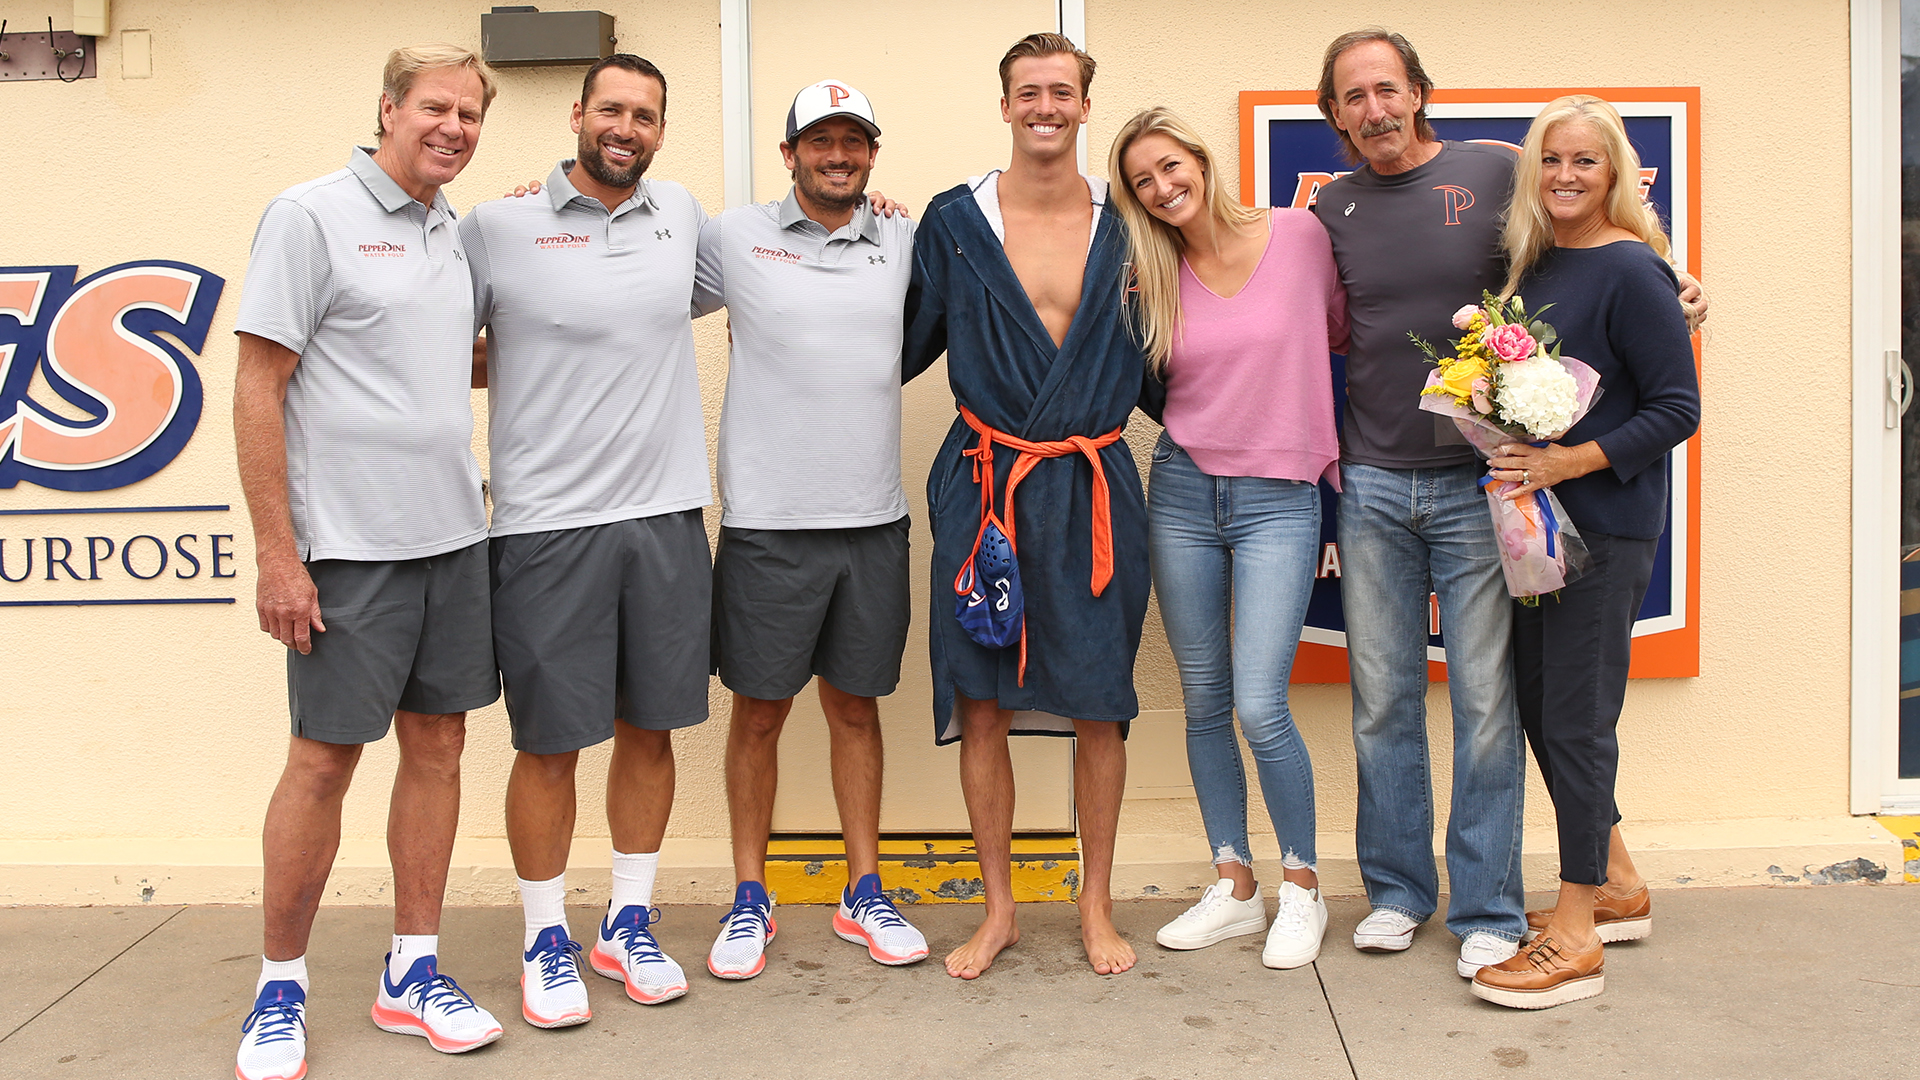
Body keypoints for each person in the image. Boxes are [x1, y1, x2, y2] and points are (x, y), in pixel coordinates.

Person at [233, 43, 505, 1080]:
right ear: (387, 109)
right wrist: (277, 553)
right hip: (347, 552)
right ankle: (279, 987)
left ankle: (413, 970)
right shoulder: (308, 216)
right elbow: (258, 386)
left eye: (470, 114)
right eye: (435, 107)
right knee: (322, 763)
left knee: (438, 751)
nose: (453, 127)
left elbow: (441, 365)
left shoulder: (450, 231)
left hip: (451, 539)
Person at [460, 54, 710, 1027]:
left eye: (646, 114)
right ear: (578, 113)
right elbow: (438, 343)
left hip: (664, 516)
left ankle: (629, 923)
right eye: (612, 108)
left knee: (651, 729)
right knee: (553, 741)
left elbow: (790, 260)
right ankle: (543, 937)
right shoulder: (498, 225)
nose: (627, 127)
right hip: (545, 525)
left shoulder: (680, 216)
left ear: (659, 128)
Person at [904, 32, 1151, 980]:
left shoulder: (1130, 223)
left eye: (1062, 91)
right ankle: (1000, 907)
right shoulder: (953, 221)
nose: (1045, 106)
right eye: (1027, 92)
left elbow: (1181, 351)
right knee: (982, 704)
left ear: (1086, 106)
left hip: (1092, 487)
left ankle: (1095, 904)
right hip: (985, 485)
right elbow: (897, 339)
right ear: (1004, 105)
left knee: (1100, 707)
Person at [1309, 27, 1533, 980]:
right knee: (1383, 699)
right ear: (1335, 115)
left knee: (1486, 700)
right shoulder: (1331, 208)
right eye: (1353, 97)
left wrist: (1670, 274)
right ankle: (1399, 892)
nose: (1374, 110)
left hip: (1478, 482)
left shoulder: (1497, 170)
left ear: (1419, 92)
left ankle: (1489, 906)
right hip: (1370, 484)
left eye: (1386, 89)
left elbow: (1600, 226)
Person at [693, 79, 928, 979]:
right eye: (819, 141)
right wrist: (539, 198)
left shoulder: (901, 237)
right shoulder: (732, 238)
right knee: (758, 713)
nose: (839, 156)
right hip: (768, 524)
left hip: (872, 519)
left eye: (854, 141)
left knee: (855, 708)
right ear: (788, 153)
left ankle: (861, 891)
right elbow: (630, 285)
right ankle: (750, 895)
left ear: (872, 152)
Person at [1468, 95, 1699, 1009]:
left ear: (1617, 175)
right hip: (1542, 528)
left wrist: (1569, 460)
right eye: (1551, 161)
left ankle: (1572, 932)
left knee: (1575, 715)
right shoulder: (1538, 262)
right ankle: (1615, 881)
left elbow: (1678, 409)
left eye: (1586, 163)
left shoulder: (1634, 270)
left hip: (1606, 524)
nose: (1566, 177)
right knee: (1538, 703)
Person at [1108, 107, 1348, 970]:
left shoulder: (1300, 236)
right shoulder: (1152, 269)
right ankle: (1235, 884)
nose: (1164, 188)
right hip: (1180, 491)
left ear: (1202, 161)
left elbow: (1365, 327)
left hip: (1280, 499)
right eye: (1144, 181)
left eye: (1172, 167)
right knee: (1204, 700)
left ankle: (1303, 887)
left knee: (1259, 702)